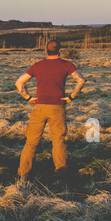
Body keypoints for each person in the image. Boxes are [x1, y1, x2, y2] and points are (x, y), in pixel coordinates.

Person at [15, 39, 85, 180]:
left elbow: (19, 82)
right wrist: (71, 97)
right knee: (58, 140)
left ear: (46, 50)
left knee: (31, 142)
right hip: (57, 108)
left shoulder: (38, 65)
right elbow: (81, 80)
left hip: (39, 108)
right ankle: (61, 173)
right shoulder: (67, 65)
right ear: (60, 50)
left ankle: (23, 174)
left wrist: (28, 98)